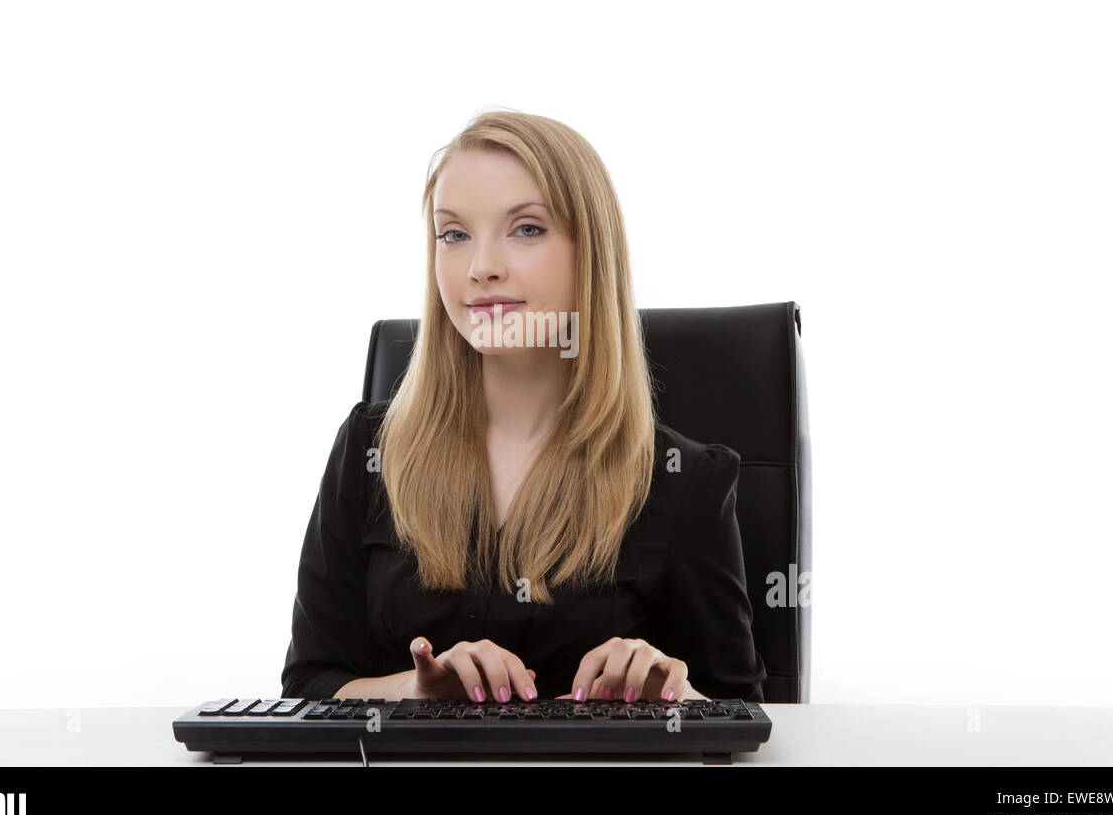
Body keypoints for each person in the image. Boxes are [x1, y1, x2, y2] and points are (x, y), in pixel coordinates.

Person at [281, 110, 766, 706]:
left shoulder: (682, 480)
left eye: (526, 229)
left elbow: (740, 715)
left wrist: (673, 691)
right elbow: (309, 686)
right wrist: (414, 689)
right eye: (454, 234)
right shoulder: (370, 450)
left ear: (590, 253)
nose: (481, 265)